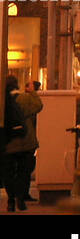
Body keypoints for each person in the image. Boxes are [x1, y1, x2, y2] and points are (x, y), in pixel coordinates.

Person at [3, 75, 40, 211]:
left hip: (8, 143)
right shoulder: (26, 98)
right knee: (23, 172)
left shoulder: (2, 100)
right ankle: (20, 197)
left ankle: (10, 200)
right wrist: (32, 91)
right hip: (26, 141)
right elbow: (39, 106)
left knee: (9, 173)